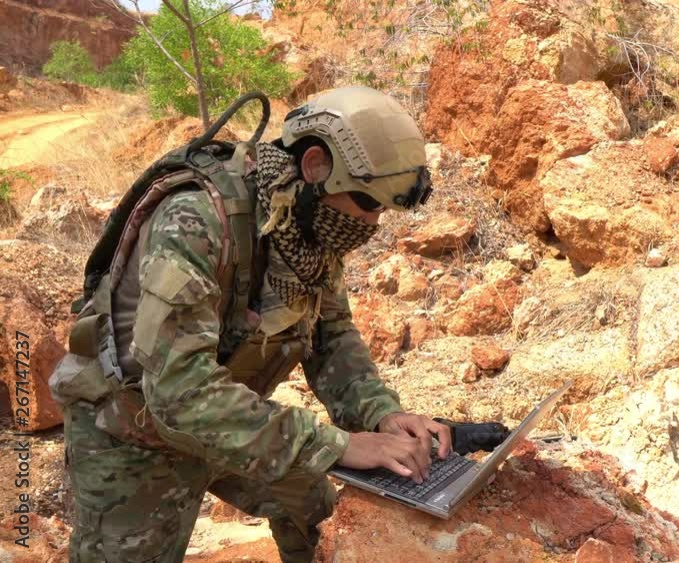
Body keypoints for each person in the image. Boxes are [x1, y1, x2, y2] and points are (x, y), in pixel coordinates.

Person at [50, 86, 452, 562]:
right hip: (132, 431)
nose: (371, 221)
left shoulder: (307, 220)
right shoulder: (196, 219)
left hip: (227, 421)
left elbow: (331, 336)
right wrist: (337, 444)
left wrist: (381, 414)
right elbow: (180, 391)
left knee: (316, 509)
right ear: (315, 166)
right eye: (367, 202)